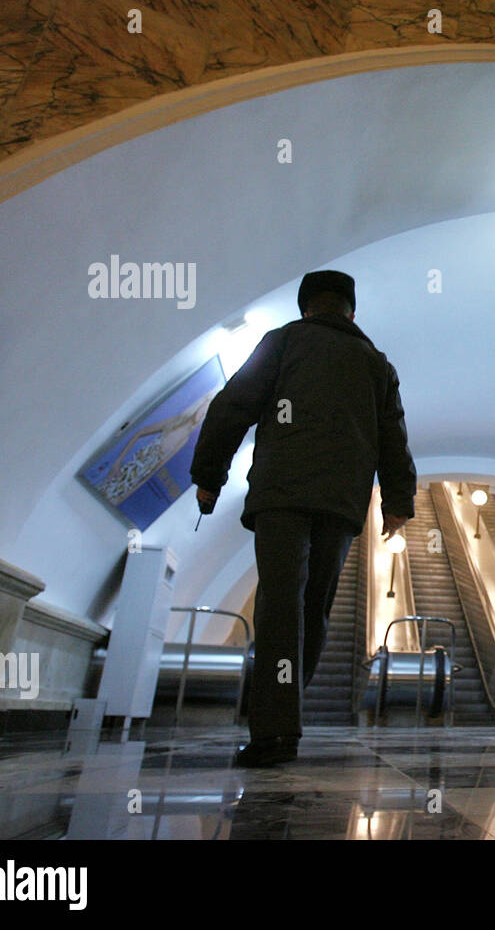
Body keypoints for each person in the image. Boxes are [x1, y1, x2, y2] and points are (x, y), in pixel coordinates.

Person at [190, 270, 416, 767]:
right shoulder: (376, 364)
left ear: (305, 308)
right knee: (315, 610)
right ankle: (285, 711)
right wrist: (397, 501)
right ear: (352, 313)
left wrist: (209, 476)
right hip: (339, 503)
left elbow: (232, 407)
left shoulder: (283, 341)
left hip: (282, 495)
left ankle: (275, 730)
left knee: (280, 606)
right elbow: (393, 436)